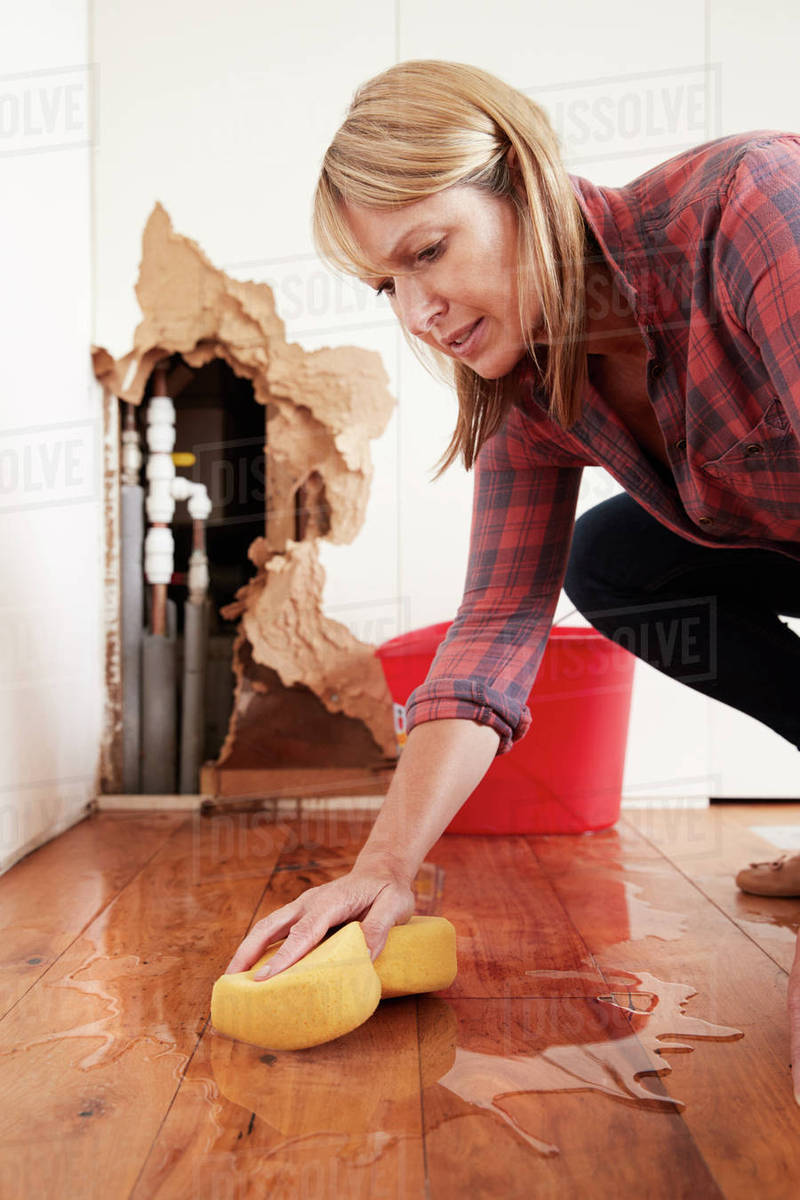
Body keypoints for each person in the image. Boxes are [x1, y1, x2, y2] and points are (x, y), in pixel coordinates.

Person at [225, 61, 800, 991]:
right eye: (387, 286)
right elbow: (494, 628)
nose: (418, 314)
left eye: (429, 252)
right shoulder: (528, 390)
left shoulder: (751, 208)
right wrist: (383, 867)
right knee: (609, 560)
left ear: (523, 185)